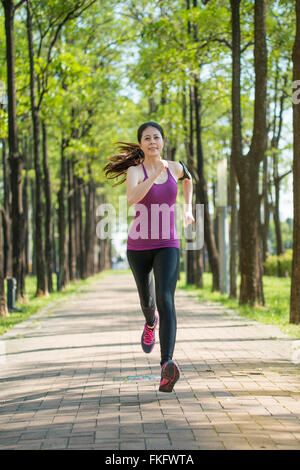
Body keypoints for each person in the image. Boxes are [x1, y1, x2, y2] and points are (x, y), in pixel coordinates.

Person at [103, 121, 194, 392]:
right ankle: (150, 322)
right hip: (138, 247)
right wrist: (154, 176)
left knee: (166, 298)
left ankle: (167, 365)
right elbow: (132, 198)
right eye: (147, 138)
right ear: (141, 144)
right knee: (148, 302)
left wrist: (188, 208)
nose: (152, 141)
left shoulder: (176, 167)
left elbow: (188, 179)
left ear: (162, 141)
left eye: (156, 137)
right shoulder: (135, 171)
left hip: (167, 243)